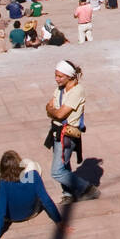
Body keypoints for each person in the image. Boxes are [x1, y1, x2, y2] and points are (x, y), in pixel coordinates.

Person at [0, 151, 69, 239]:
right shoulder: (33, 175)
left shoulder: (3, 182)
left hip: (10, 217)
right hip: (32, 213)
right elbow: (46, 200)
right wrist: (58, 221)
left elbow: (0, 211)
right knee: (31, 163)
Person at [46, 61, 99, 203]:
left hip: (67, 135)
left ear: (69, 76)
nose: (56, 79)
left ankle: (87, 189)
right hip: (57, 132)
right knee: (65, 165)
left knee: (57, 172)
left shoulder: (77, 91)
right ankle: (68, 194)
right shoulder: (60, 89)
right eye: (56, 75)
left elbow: (59, 114)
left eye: (60, 76)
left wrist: (53, 111)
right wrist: (53, 111)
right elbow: (49, 106)